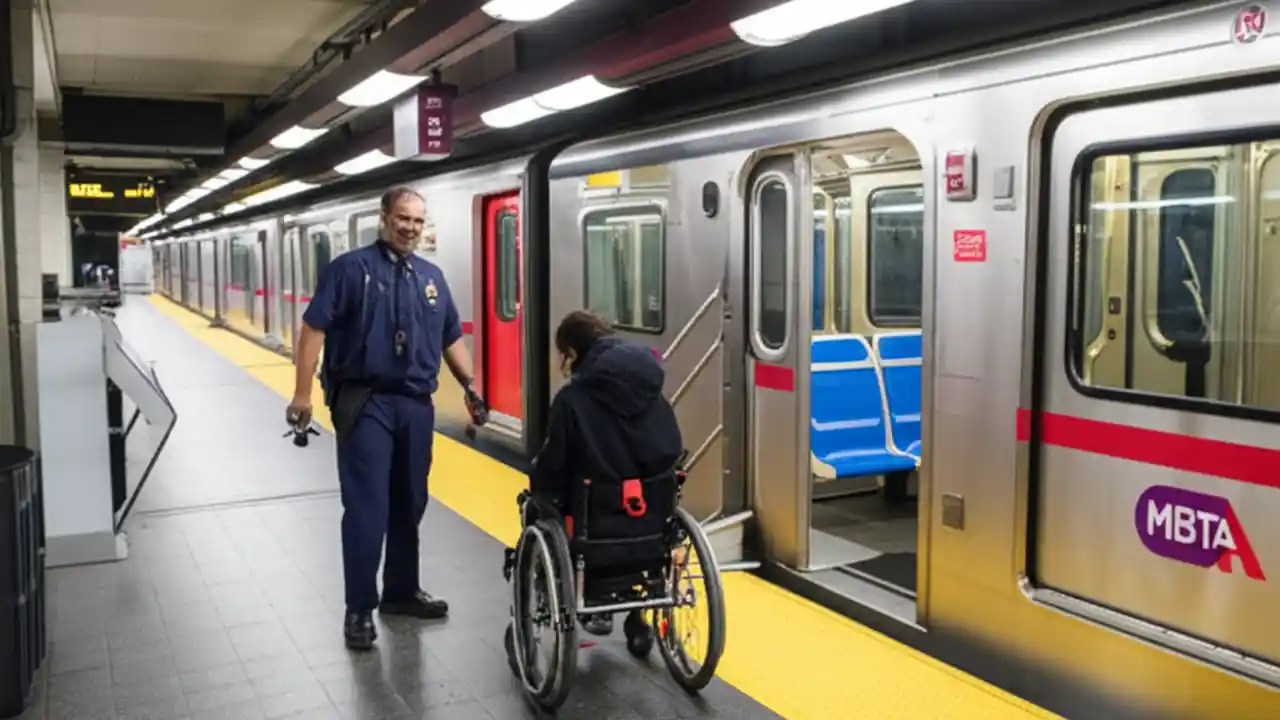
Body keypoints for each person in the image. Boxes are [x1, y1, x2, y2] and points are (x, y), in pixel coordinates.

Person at [286, 186, 487, 650]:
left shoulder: (431, 277)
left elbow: (450, 336)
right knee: (367, 507)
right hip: (365, 400)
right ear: (384, 216)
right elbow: (314, 327)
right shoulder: (349, 269)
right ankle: (359, 608)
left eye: (418, 221)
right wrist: (301, 393)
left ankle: (400, 591)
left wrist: (471, 384)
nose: (410, 228)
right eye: (402, 218)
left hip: (416, 404)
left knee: (410, 501)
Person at [528, 310, 683, 636]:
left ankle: (567, 594)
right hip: (651, 533)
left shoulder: (571, 400)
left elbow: (553, 465)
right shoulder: (653, 392)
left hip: (593, 537)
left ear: (571, 353)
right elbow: (671, 450)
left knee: (539, 503)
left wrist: (538, 482)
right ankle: (641, 611)